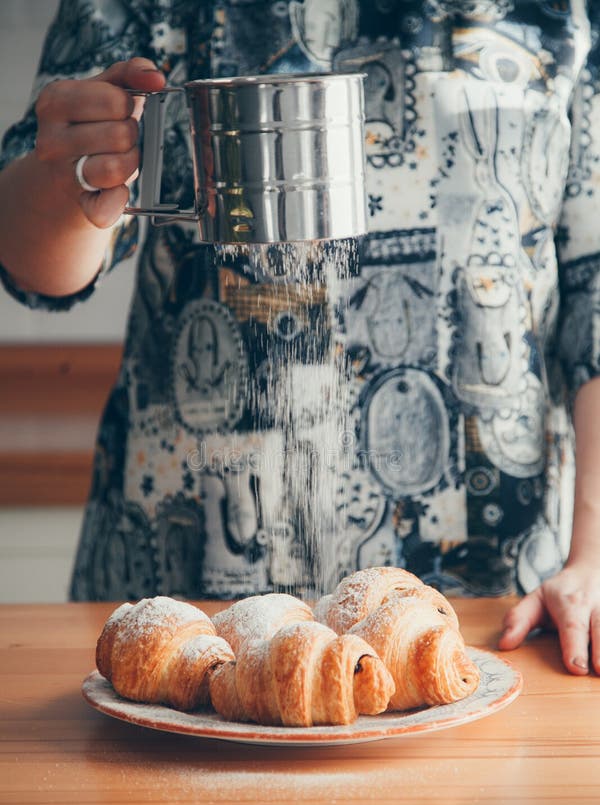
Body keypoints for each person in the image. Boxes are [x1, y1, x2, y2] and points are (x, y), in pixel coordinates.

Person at [1, 0, 599, 677]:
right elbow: (35, 265)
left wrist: (596, 555)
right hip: (186, 600)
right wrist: (70, 176)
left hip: (498, 600)